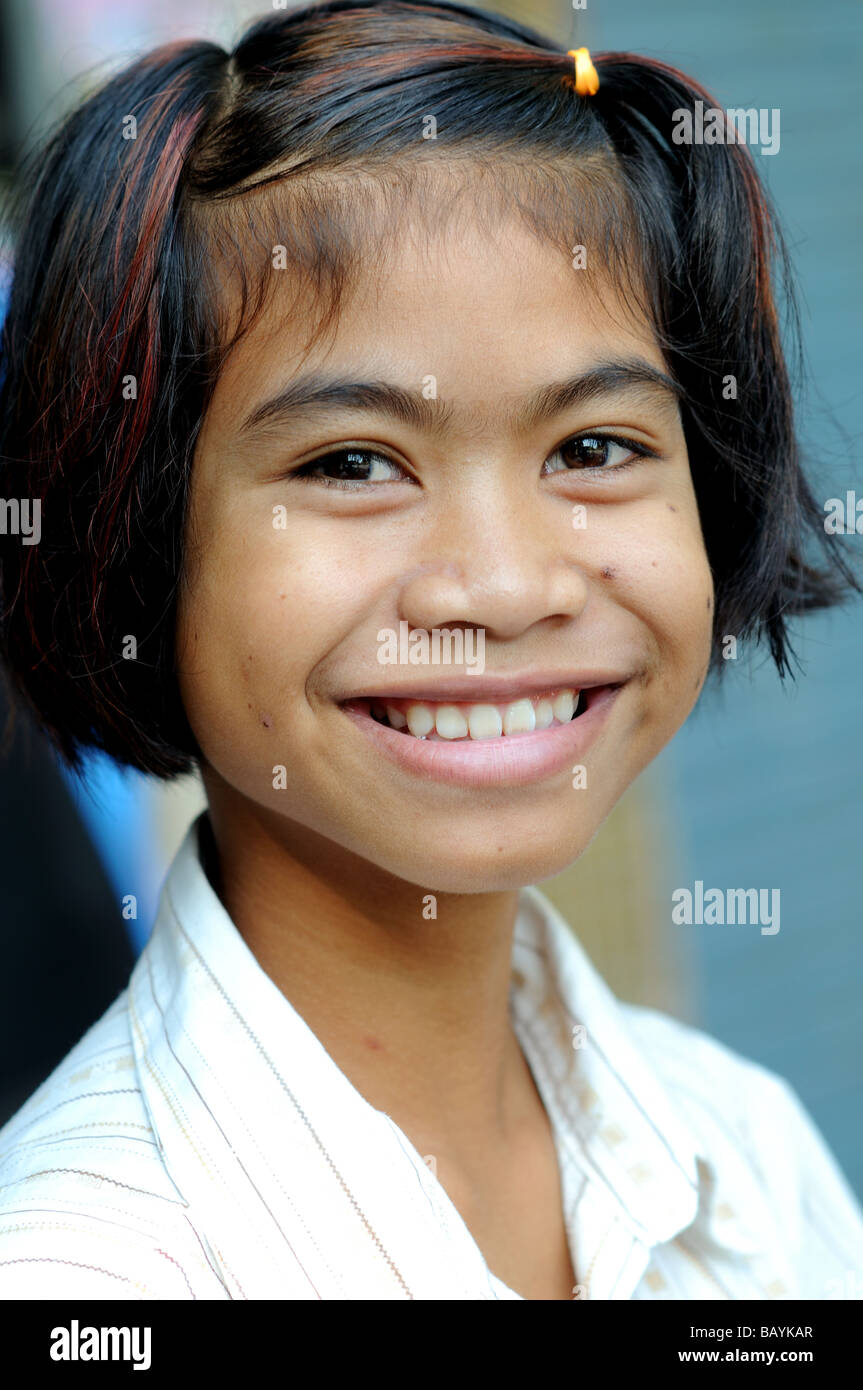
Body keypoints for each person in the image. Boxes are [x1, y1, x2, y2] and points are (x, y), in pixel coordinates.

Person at [0, 0, 860, 1301]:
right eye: (352, 463)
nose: (508, 585)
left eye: (594, 447)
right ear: (138, 535)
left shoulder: (747, 1160)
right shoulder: (79, 1273)